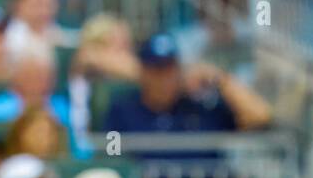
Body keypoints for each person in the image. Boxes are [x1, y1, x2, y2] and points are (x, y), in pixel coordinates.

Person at [104, 33, 272, 137]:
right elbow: (112, 154)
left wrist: (219, 78)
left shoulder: (202, 108)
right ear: (143, 72)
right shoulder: (123, 110)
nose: (164, 78)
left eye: (170, 69)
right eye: (156, 70)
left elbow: (259, 116)